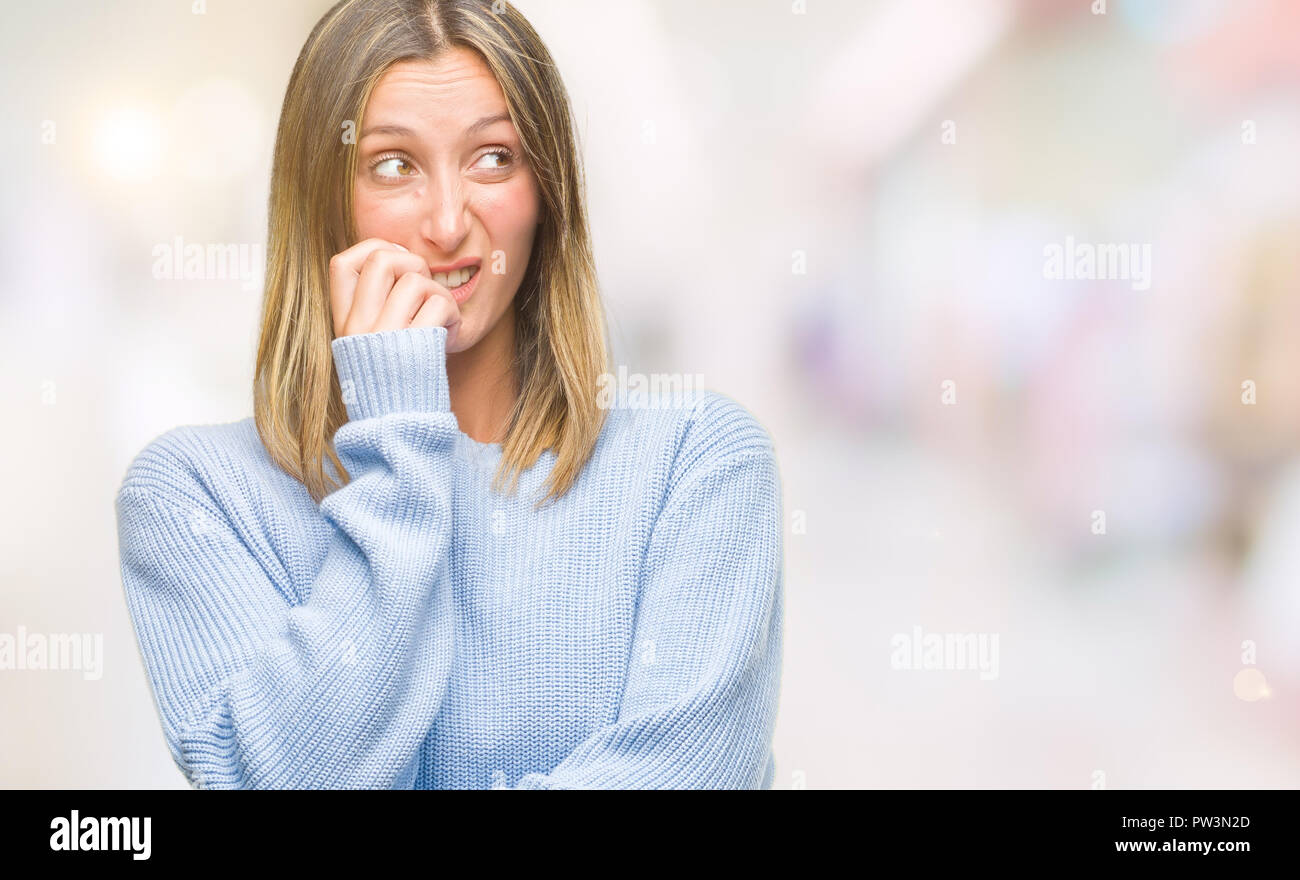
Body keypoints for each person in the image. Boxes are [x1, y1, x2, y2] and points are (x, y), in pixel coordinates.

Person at [115, 0, 784, 789]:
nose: (446, 222)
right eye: (393, 164)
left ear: (548, 190)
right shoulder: (194, 495)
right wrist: (399, 439)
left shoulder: (698, 465)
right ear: (323, 198)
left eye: (493, 157)